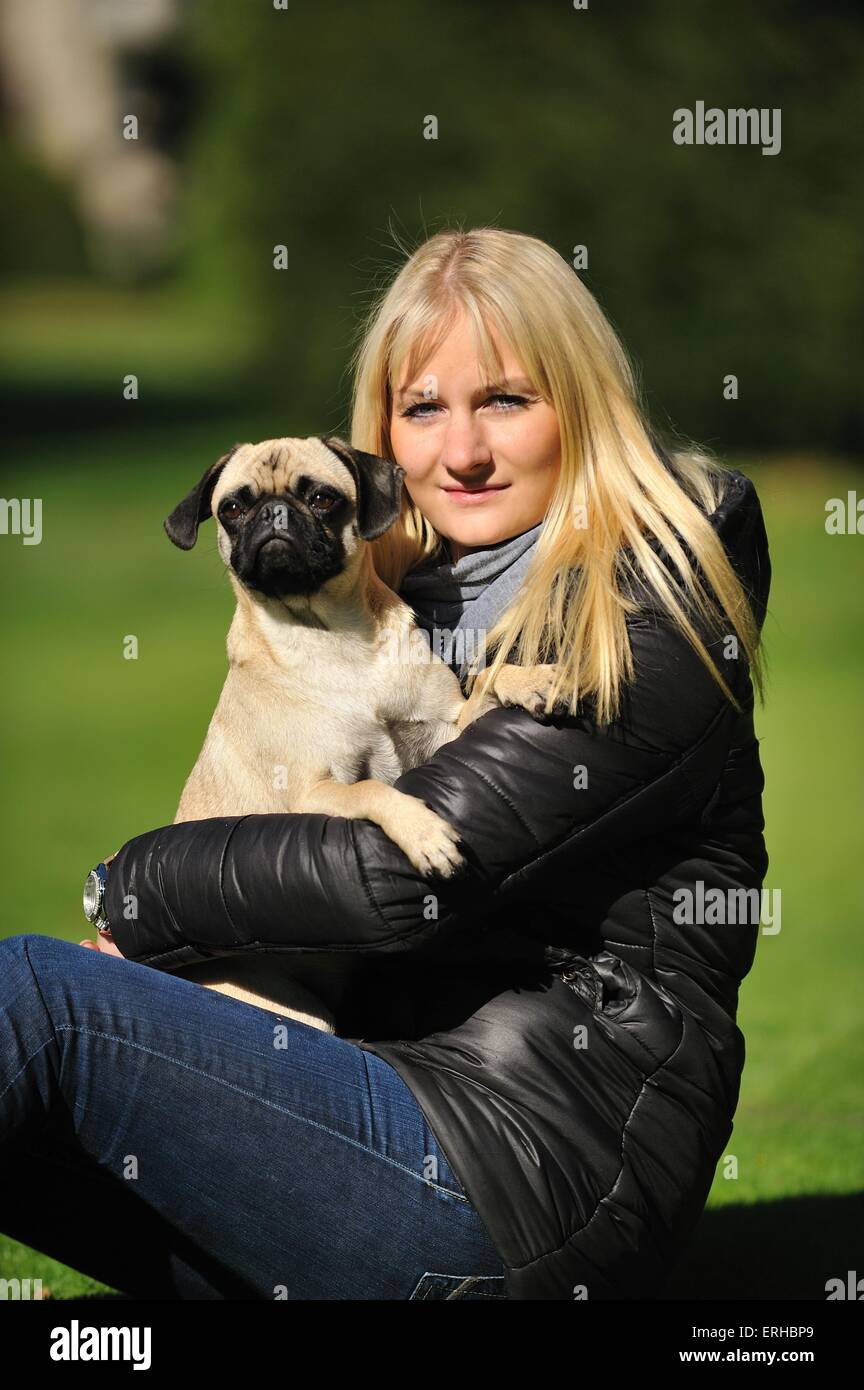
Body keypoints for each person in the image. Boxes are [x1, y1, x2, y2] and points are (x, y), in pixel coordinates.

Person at [0, 227, 770, 1300]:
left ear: (583, 405)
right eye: (422, 409)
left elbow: (394, 879)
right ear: (382, 443)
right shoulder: (411, 609)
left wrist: (132, 892)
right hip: (371, 1090)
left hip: (525, 1172)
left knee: (30, 996)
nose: (461, 451)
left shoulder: (650, 599)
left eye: (504, 398)